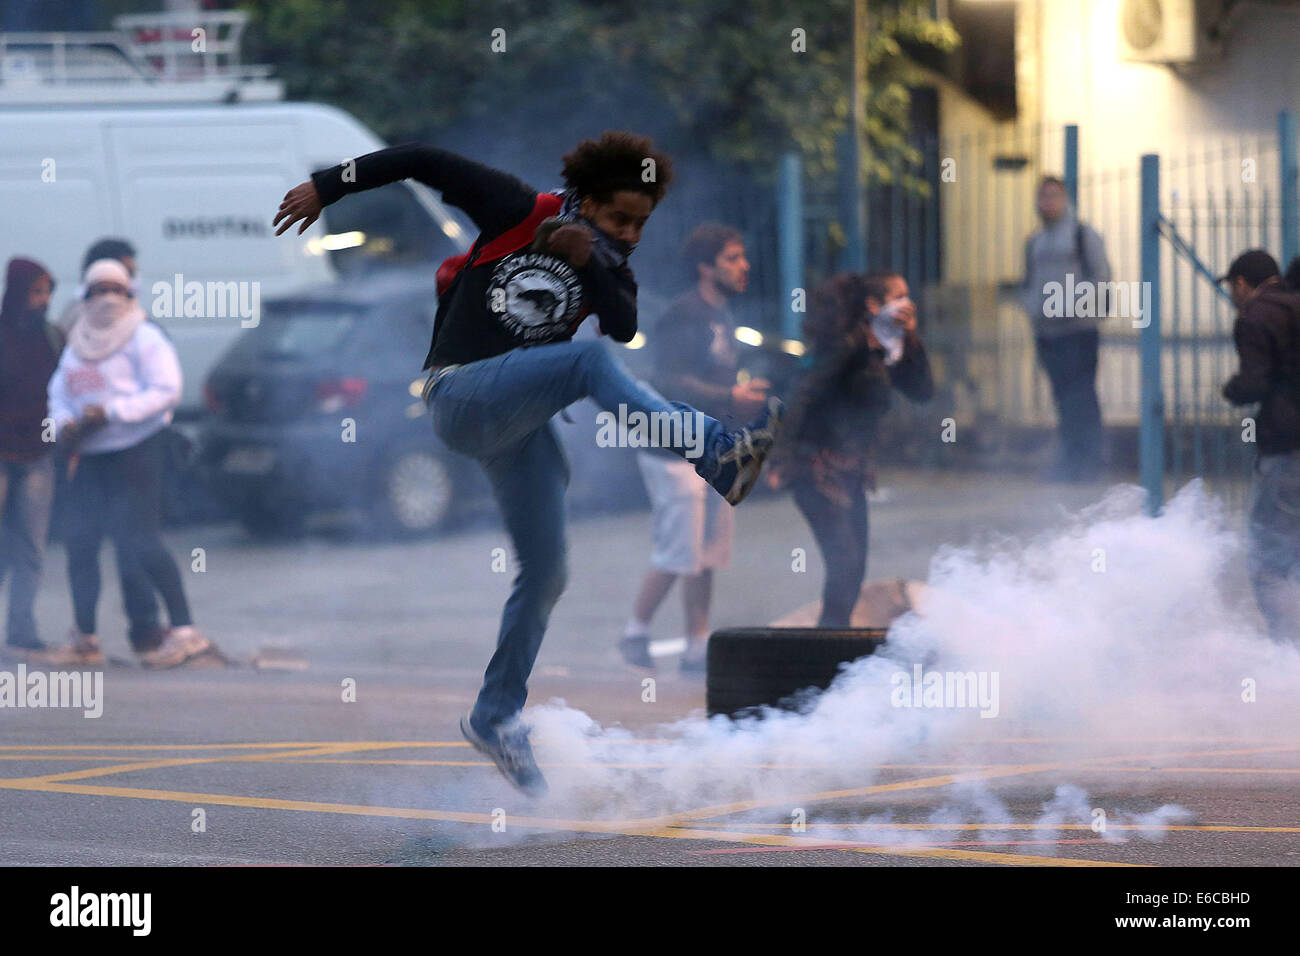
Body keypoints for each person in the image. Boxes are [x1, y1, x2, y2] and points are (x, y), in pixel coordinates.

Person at [273, 131, 782, 796]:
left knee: (547, 570)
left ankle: (496, 717)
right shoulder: (518, 208)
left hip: (515, 425)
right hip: (459, 394)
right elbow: (423, 158)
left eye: (639, 224)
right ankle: (716, 450)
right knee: (588, 361)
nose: (628, 234)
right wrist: (328, 186)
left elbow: (625, 323)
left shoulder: (610, 263)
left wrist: (592, 259)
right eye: (616, 218)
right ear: (581, 199)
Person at [43, 258, 213, 668]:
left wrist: (113, 412)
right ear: (84, 295)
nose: (105, 298)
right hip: (90, 455)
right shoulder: (78, 343)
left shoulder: (145, 338)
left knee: (140, 540)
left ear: (129, 293)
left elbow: (167, 391)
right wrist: (64, 424)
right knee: (80, 544)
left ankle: (185, 632)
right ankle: (85, 640)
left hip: (137, 450)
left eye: (113, 289)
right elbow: (59, 396)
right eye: (97, 290)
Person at [621, 223, 767, 674]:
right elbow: (669, 381)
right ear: (706, 267)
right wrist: (730, 398)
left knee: (707, 553)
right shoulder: (685, 314)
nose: (744, 266)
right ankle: (634, 632)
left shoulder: (720, 313)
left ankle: (696, 646)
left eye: (743, 257)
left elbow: (711, 379)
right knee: (679, 551)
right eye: (732, 258)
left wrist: (739, 397)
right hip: (672, 451)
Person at [769, 272, 932, 628]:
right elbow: (803, 393)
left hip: (852, 471)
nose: (908, 303)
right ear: (874, 306)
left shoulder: (889, 348)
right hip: (814, 467)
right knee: (844, 562)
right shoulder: (846, 344)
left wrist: (912, 336)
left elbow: (922, 390)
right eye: (898, 297)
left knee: (854, 568)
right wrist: (781, 455)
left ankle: (831, 648)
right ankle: (826, 654)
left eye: (909, 296)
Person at [1220, 249, 1300, 644]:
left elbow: (1253, 383)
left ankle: (1289, 659)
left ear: (1240, 284)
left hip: (1287, 454)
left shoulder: (1255, 316)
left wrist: (1230, 390)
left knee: (1269, 563)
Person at [1021, 175, 1111, 482]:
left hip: (1078, 330)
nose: (1047, 202)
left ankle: (1089, 462)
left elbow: (1101, 278)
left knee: (1081, 397)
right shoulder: (1035, 241)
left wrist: (1071, 304)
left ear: (1065, 199)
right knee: (1062, 398)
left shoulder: (1082, 235)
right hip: (1047, 333)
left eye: (1053, 195)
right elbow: (1029, 281)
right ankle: (1071, 462)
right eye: (1042, 196)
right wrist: (1033, 309)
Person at [0, 258, 63, 660]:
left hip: (38, 454)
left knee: (31, 547)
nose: (41, 301)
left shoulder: (53, 337)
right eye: (35, 292)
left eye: (46, 293)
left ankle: (22, 629)